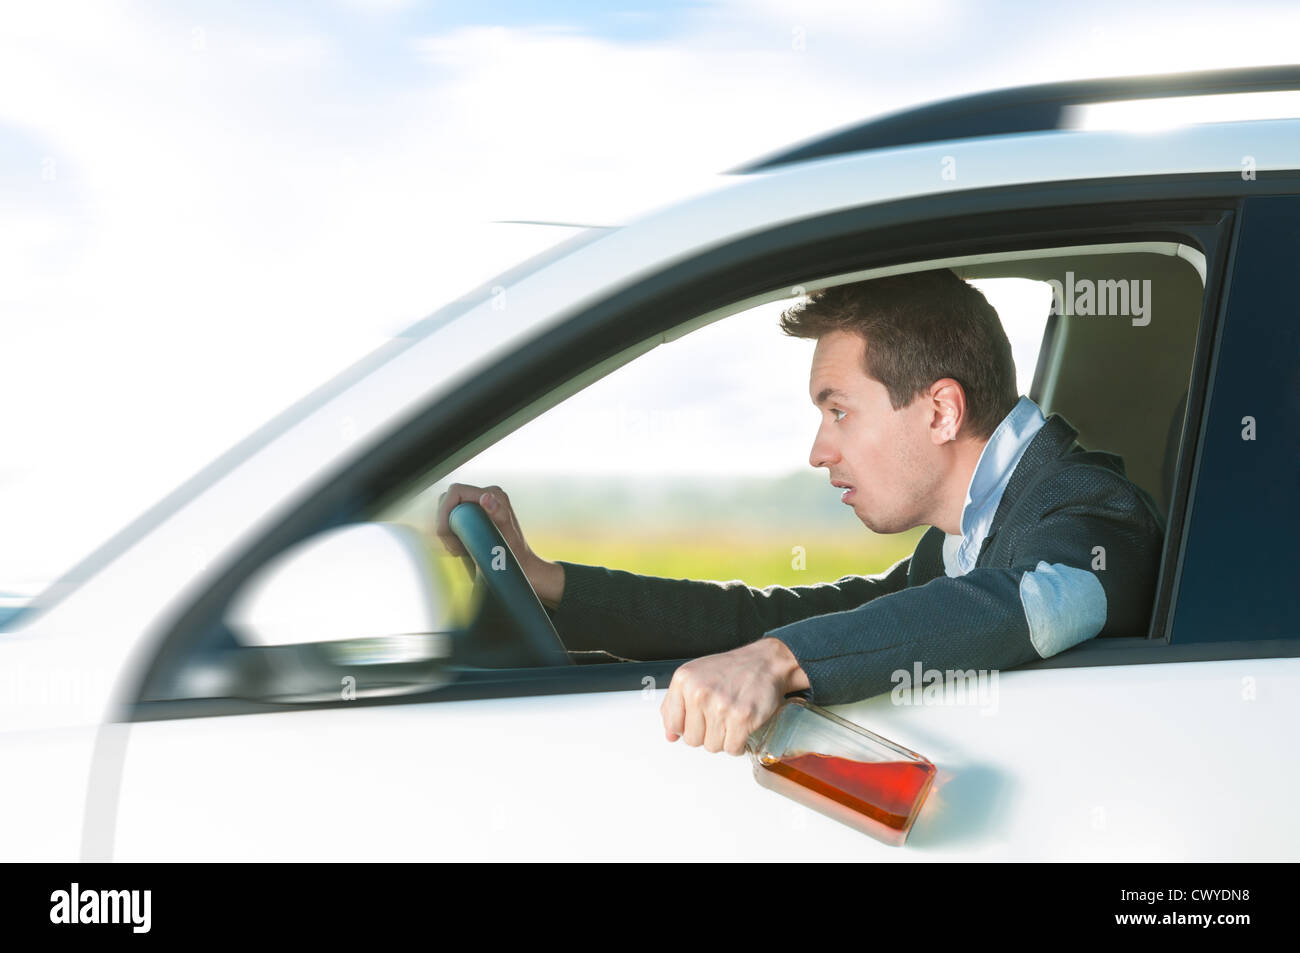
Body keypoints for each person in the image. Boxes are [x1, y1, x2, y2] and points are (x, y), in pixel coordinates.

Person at [434, 269, 1166, 757]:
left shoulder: (1086, 507)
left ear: (940, 409)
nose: (820, 451)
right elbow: (768, 619)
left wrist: (780, 662)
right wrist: (550, 580)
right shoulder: (963, 539)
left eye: (839, 411)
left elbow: (1027, 603)